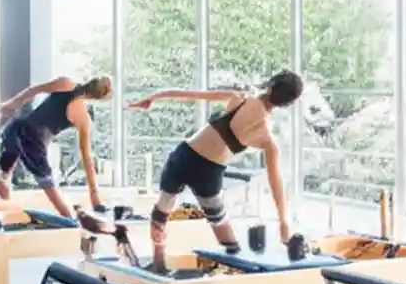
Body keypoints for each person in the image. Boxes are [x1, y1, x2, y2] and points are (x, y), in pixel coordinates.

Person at [128, 71, 304, 271]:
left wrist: (154, 97)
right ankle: (232, 266)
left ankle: (159, 263)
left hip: (186, 157)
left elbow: (190, 94)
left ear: (271, 85)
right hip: (207, 170)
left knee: (161, 213)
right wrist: (283, 222)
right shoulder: (266, 136)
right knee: (223, 231)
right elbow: (276, 183)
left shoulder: (240, 99)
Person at [0, 75, 112, 218]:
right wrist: (95, 196)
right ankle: (69, 218)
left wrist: (11, 104)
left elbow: (33, 90)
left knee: (8, 166)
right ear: (98, 98)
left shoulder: (66, 83)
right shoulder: (83, 117)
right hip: (35, 143)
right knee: (51, 188)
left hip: (18, 128)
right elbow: (87, 158)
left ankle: (4, 182)